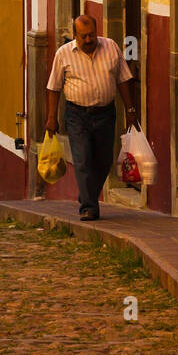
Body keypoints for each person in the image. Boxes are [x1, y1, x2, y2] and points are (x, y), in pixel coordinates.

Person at [44, 14, 138, 222]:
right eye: (83, 36)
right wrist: (51, 117)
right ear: (75, 36)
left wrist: (130, 109)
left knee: (104, 161)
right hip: (77, 114)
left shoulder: (111, 47)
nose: (88, 40)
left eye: (91, 35)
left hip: (105, 113)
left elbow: (123, 79)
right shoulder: (63, 54)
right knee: (83, 159)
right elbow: (53, 88)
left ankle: (87, 195)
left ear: (97, 32)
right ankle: (89, 207)